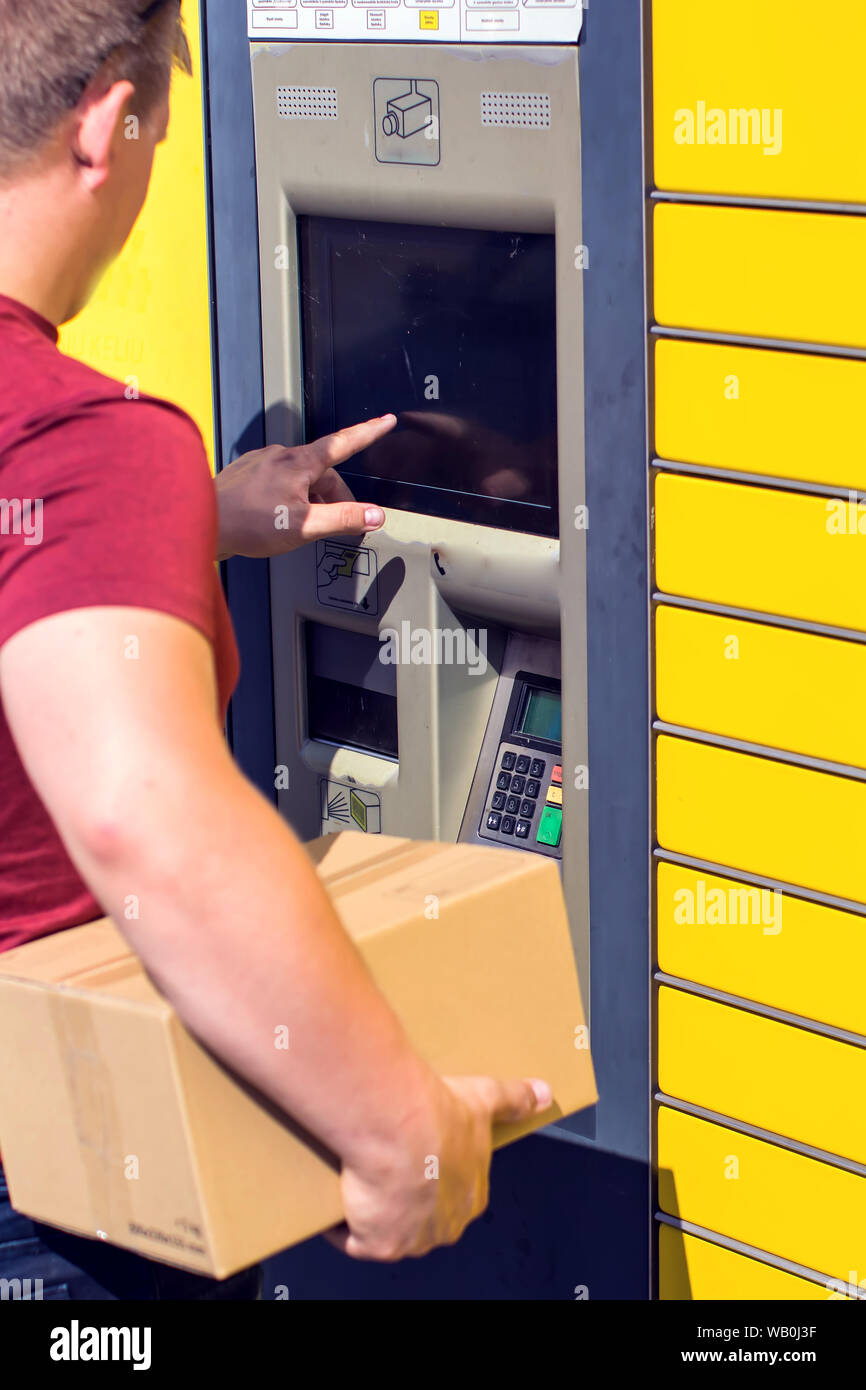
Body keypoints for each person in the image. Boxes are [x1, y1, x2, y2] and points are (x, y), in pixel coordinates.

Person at [0, 0, 552, 1300]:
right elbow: (145, 819)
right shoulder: (83, 446)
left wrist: (174, 530)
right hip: (59, 1173)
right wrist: (396, 1127)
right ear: (102, 129)